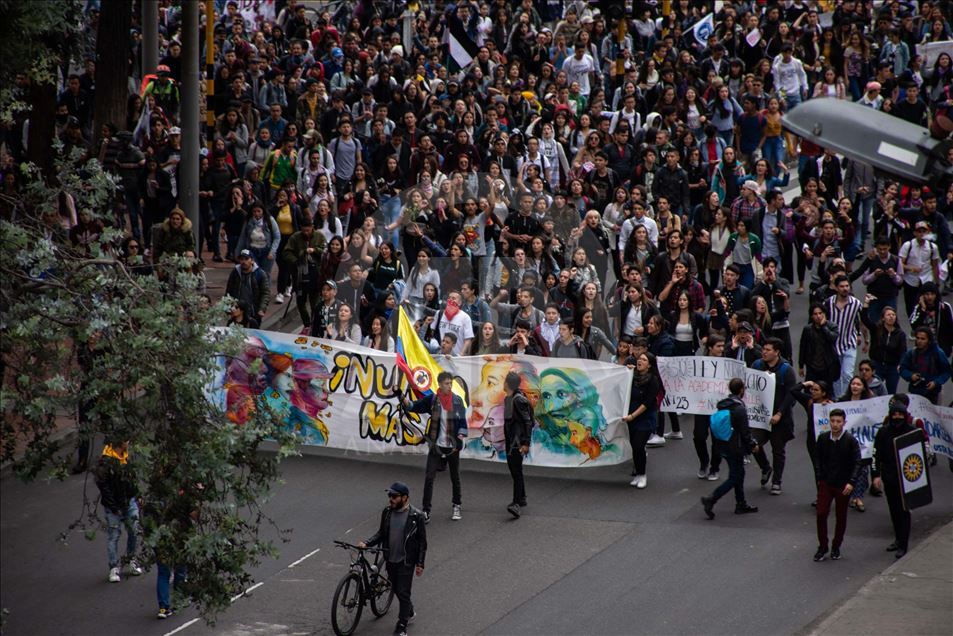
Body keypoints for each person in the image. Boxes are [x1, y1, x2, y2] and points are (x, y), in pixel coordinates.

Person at [358, 482, 427, 636]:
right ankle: (409, 611)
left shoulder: (417, 516)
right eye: (389, 495)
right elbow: (381, 533)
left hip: (406, 561)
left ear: (405, 497)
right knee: (396, 588)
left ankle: (401, 627)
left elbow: (422, 543)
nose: (391, 499)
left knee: (403, 592)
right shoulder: (387, 512)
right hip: (390, 558)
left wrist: (420, 563)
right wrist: (367, 542)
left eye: (394, 496)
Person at [400, 372, 468, 522]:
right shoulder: (432, 400)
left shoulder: (457, 401)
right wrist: (400, 395)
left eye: (450, 383)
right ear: (439, 385)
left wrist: (459, 441)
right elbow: (413, 406)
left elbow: (463, 424)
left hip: (452, 447)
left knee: (455, 477)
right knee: (429, 477)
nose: (449, 386)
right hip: (436, 445)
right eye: (446, 384)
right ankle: (426, 511)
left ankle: (456, 505)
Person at [700, 378, 760, 519]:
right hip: (735, 447)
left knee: (739, 474)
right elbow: (745, 432)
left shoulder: (723, 405)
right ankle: (712, 499)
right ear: (741, 390)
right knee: (735, 476)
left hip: (723, 444)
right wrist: (752, 445)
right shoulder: (739, 408)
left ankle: (741, 504)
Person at [813, 408, 862, 562]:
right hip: (826, 483)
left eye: (838, 422)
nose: (835, 425)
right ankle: (822, 546)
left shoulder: (850, 441)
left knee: (841, 516)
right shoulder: (822, 438)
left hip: (843, 485)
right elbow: (818, 459)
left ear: (844, 423)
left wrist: (851, 482)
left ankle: (836, 546)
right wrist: (820, 477)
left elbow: (857, 463)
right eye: (832, 421)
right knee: (821, 513)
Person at [751, 338, 798, 495]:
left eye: (768, 349)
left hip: (779, 418)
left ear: (777, 352)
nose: (764, 352)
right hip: (760, 417)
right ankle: (765, 468)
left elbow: (792, 394)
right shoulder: (757, 365)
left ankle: (777, 481)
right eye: (763, 349)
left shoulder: (786, 370)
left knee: (778, 450)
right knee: (753, 444)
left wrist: (779, 413)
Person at [872, 399, 918, 559]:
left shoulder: (912, 431)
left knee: (904, 511)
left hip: (907, 479)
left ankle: (903, 544)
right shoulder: (883, 432)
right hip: (889, 477)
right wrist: (876, 475)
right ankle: (898, 539)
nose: (897, 417)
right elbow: (875, 454)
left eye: (900, 414)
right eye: (894, 414)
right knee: (893, 510)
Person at [93, 440, 142, 583]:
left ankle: (131, 559)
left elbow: (132, 480)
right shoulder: (106, 462)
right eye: (126, 440)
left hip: (129, 502)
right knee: (114, 536)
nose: (128, 442)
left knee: (134, 531)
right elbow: (104, 487)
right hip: (113, 506)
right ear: (119, 443)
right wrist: (114, 507)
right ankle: (113, 567)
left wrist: (137, 495)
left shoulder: (126, 457)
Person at [623, 352, 661, 489]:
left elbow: (647, 403)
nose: (640, 361)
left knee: (639, 445)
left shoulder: (653, 381)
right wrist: (625, 371)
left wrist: (633, 415)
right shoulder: (632, 376)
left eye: (644, 360)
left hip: (644, 418)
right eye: (639, 359)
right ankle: (638, 474)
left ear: (649, 365)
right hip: (631, 418)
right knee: (634, 446)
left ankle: (643, 475)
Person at [503, 371, 533, 518]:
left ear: (507, 384)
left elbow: (527, 421)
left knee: (516, 470)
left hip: (517, 441)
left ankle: (516, 503)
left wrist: (526, 442)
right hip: (511, 440)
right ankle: (522, 497)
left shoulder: (518, 400)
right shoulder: (508, 399)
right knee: (515, 469)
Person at [899, 328, 952, 405]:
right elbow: (902, 369)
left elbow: (946, 371)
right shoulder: (911, 353)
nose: (919, 341)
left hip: (933, 393)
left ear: (929, 340)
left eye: (923, 339)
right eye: (917, 338)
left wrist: (936, 382)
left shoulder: (938, 353)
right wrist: (910, 375)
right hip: (915, 391)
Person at [225, 250, 270, 322]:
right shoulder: (235, 273)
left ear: (252, 261)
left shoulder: (260, 274)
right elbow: (229, 291)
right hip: (237, 311)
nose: (243, 262)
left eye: (246, 259)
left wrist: (262, 309)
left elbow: (265, 293)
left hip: (253, 312)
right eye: (241, 259)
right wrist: (227, 307)